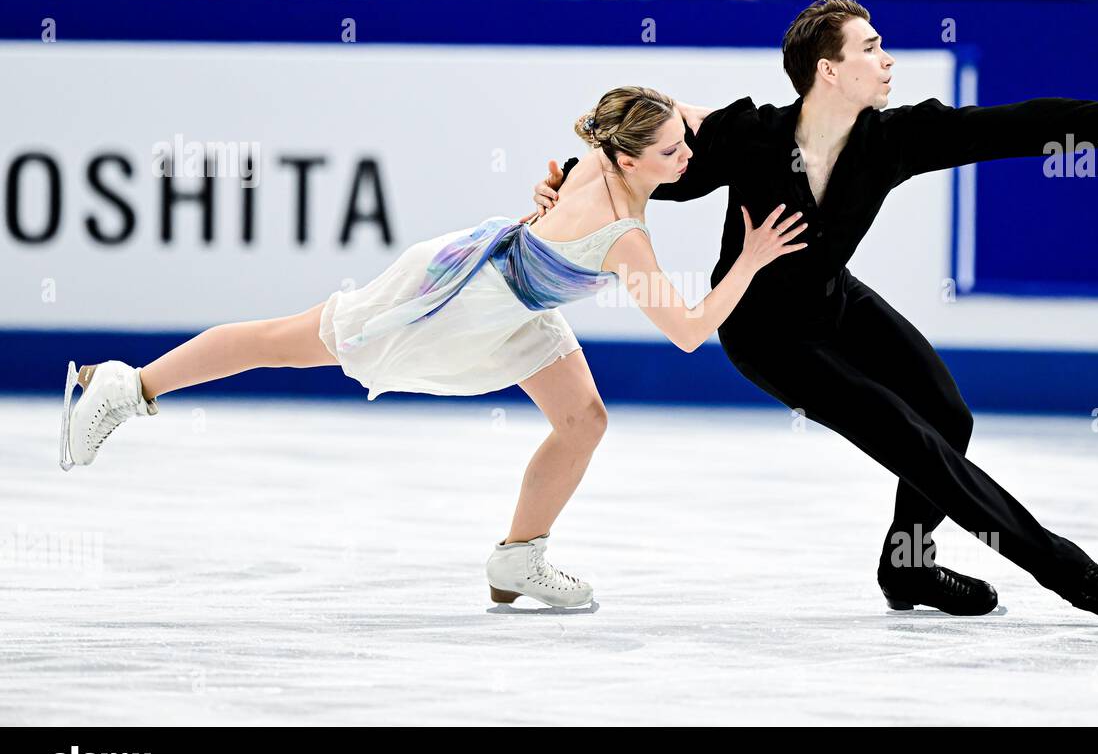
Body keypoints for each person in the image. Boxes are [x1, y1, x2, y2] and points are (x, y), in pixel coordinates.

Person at [532, 0, 1098, 620]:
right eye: (870, 47)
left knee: (948, 416)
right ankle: (1064, 569)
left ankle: (906, 564)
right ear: (828, 70)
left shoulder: (892, 139)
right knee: (914, 443)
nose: (887, 58)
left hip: (834, 301)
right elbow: (652, 167)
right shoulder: (748, 134)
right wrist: (567, 184)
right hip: (767, 332)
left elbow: (1019, 126)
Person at [57, 87, 807, 611]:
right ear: (632, 158)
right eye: (674, 151)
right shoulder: (628, 240)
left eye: (685, 146)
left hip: (514, 298)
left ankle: (519, 557)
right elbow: (686, 333)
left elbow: (679, 120)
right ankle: (126, 387)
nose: (688, 159)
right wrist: (751, 257)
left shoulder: (596, 161)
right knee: (284, 342)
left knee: (584, 421)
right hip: (459, 302)